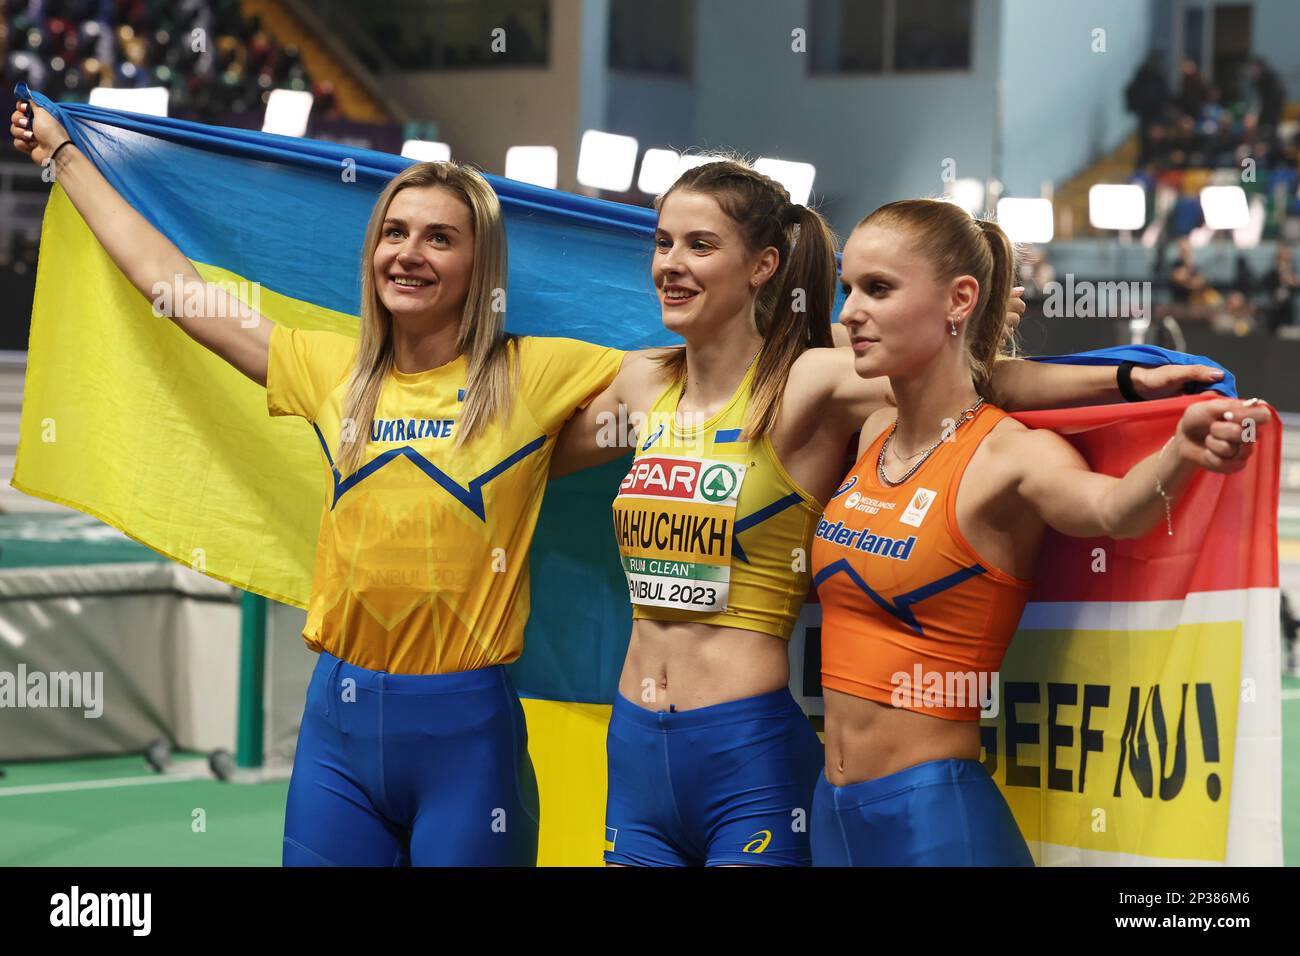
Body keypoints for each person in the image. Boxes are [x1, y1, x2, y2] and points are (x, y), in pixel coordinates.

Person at [551, 160, 1227, 867]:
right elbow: (522, 453)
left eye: (699, 244)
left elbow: (966, 375)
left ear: (763, 266)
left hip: (754, 751)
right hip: (648, 749)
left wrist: (1125, 378)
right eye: (662, 242)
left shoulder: (807, 383)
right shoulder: (642, 382)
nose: (671, 263)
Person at [11, 97, 626, 866]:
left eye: (441, 238)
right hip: (338, 730)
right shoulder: (332, 369)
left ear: (482, 266)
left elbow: (684, 377)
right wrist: (65, 158)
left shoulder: (531, 374)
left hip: (467, 737)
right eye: (394, 233)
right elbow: (171, 286)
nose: (409, 253)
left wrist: (764, 275)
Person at [810, 198, 1269, 866]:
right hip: (832, 813)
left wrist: (1179, 451)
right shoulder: (873, 430)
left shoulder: (1009, 456)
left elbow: (1114, 510)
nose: (849, 311)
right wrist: (1123, 377)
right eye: (847, 287)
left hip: (935, 824)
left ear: (959, 298)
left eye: (877, 289)